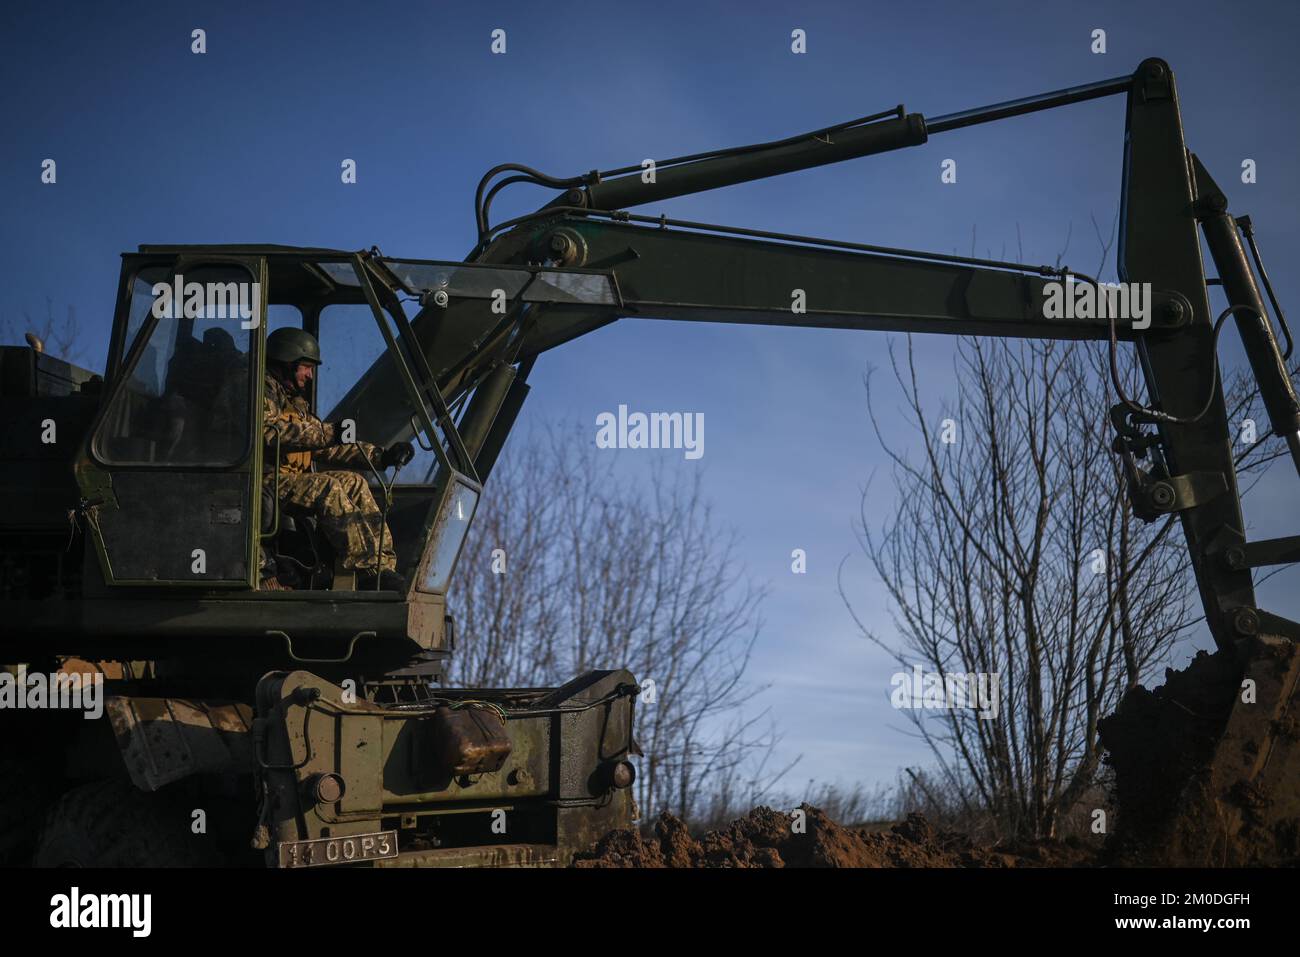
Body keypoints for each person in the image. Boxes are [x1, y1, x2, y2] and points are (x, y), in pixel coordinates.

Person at [262, 327, 414, 591]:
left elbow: (327, 446)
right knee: (328, 488)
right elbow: (269, 432)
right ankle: (366, 569)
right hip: (263, 481)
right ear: (287, 362)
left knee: (354, 482)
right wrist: (330, 433)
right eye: (306, 367)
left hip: (289, 481)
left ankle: (382, 567)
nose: (309, 375)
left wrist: (382, 456)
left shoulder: (293, 403)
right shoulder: (256, 393)